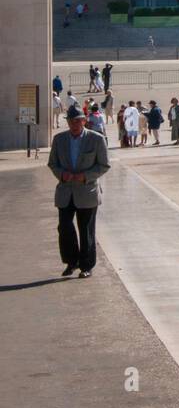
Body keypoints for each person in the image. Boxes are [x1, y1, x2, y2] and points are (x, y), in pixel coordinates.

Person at [48, 102, 110, 278]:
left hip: (87, 192)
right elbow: (52, 163)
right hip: (65, 192)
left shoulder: (96, 139)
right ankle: (71, 261)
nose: (73, 124)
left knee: (86, 230)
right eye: (70, 121)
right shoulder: (59, 140)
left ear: (83, 121)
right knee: (65, 227)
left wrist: (86, 176)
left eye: (77, 121)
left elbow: (104, 165)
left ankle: (86, 266)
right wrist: (61, 174)